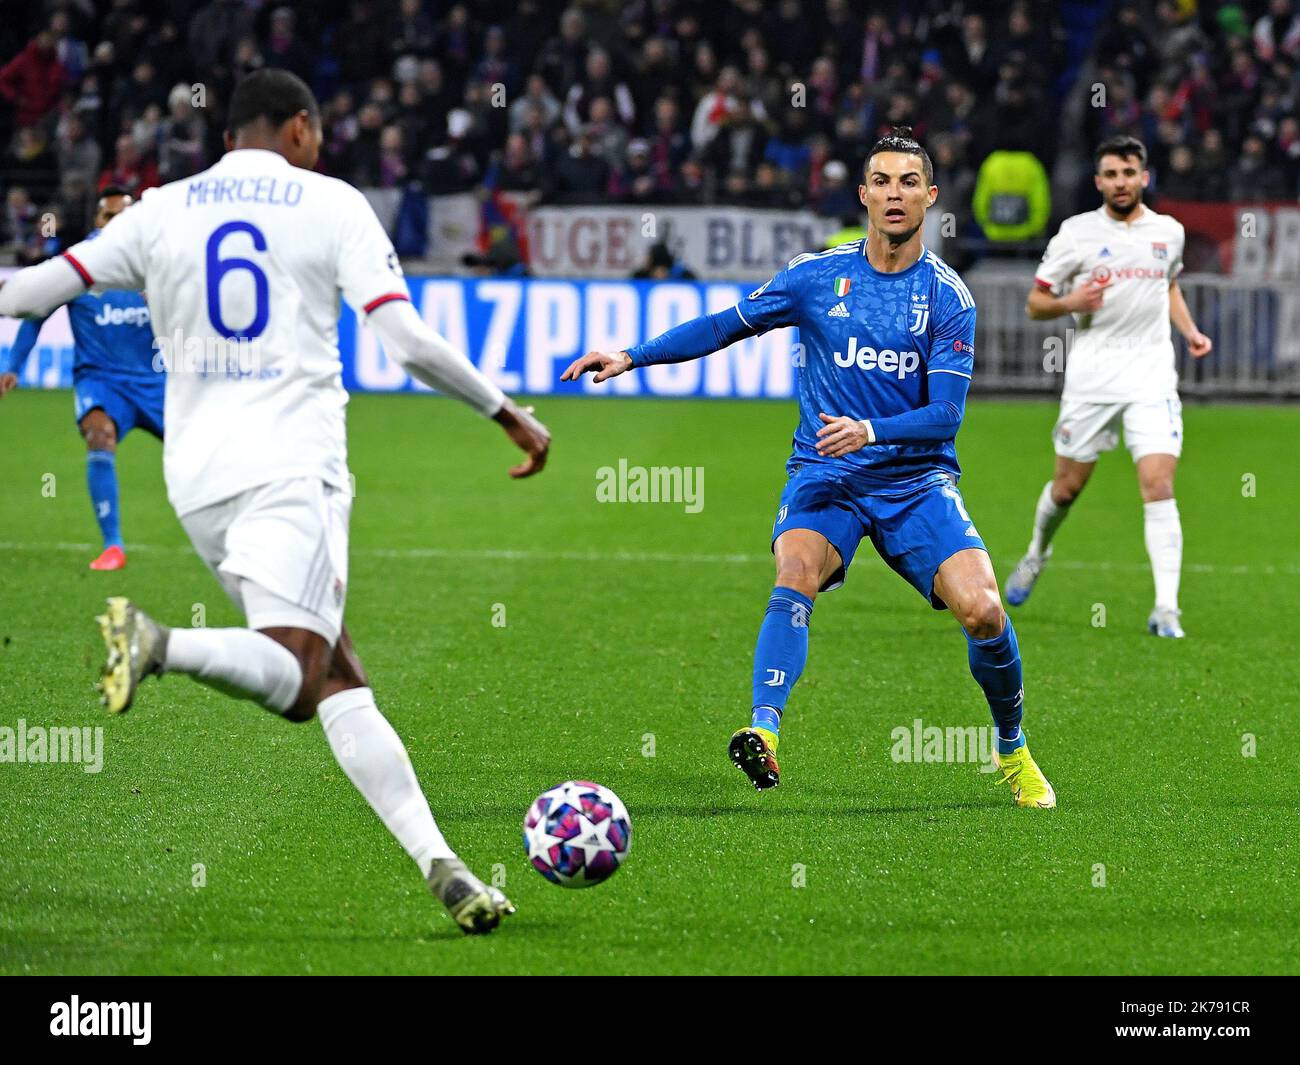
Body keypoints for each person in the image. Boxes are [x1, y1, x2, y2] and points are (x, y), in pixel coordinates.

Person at [0, 68, 551, 934]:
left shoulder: (157, 208)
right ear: (298, 127)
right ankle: (155, 642)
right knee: (297, 672)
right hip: (291, 467)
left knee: (337, 674)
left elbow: (25, 293)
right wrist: (507, 412)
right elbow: (403, 337)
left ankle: (442, 864)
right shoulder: (330, 202)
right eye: (317, 131)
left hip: (196, 479)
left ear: (225, 135)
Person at [561, 128, 1055, 809]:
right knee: (795, 572)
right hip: (828, 473)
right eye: (880, 181)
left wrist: (871, 429)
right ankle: (763, 730)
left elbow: (946, 414)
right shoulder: (816, 277)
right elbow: (723, 325)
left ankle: (1012, 748)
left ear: (931, 198)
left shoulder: (948, 297)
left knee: (983, 609)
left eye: (908, 182)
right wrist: (631, 355)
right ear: (863, 194)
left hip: (915, 481)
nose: (893, 194)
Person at [1007, 135, 1212, 638]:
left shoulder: (1169, 232)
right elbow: (1036, 304)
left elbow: (1167, 285)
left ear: (1144, 177)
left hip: (1152, 377)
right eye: (1111, 175)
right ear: (1098, 182)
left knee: (1159, 485)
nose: (1121, 182)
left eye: (1129, 173)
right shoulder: (1076, 234)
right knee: (1068, 488)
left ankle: (1167, 609)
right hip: (1092, 380)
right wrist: (1071, 299)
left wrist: (1188, 332)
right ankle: (1037, 553)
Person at [0, 187, 161, 571]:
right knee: (98, 434)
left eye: (124, 216)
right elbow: (37, 313)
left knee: (198, 455)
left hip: (157, 381)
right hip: (101, 380)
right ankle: (113, 547)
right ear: (96, 220)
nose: (116, 224)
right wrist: (14, 366)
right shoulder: (79, 265)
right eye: (109, 216)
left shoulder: (156, 261)